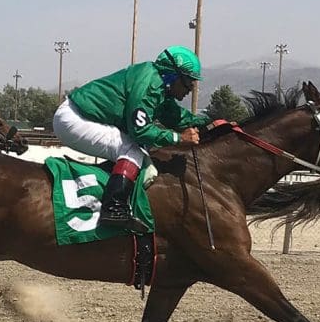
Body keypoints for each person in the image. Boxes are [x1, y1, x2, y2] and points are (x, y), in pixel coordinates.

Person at [53, 45, 208, 233]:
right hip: (74, 118)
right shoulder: (150, 84)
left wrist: (209, 123)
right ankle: (113, 208)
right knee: (132, 150)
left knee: (136, 152)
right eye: (189, 82)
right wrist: (177, 138)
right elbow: (140, 131)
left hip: (82, 115)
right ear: (173, 75)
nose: (190, 89)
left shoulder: (159, 86)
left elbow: (177, 117)